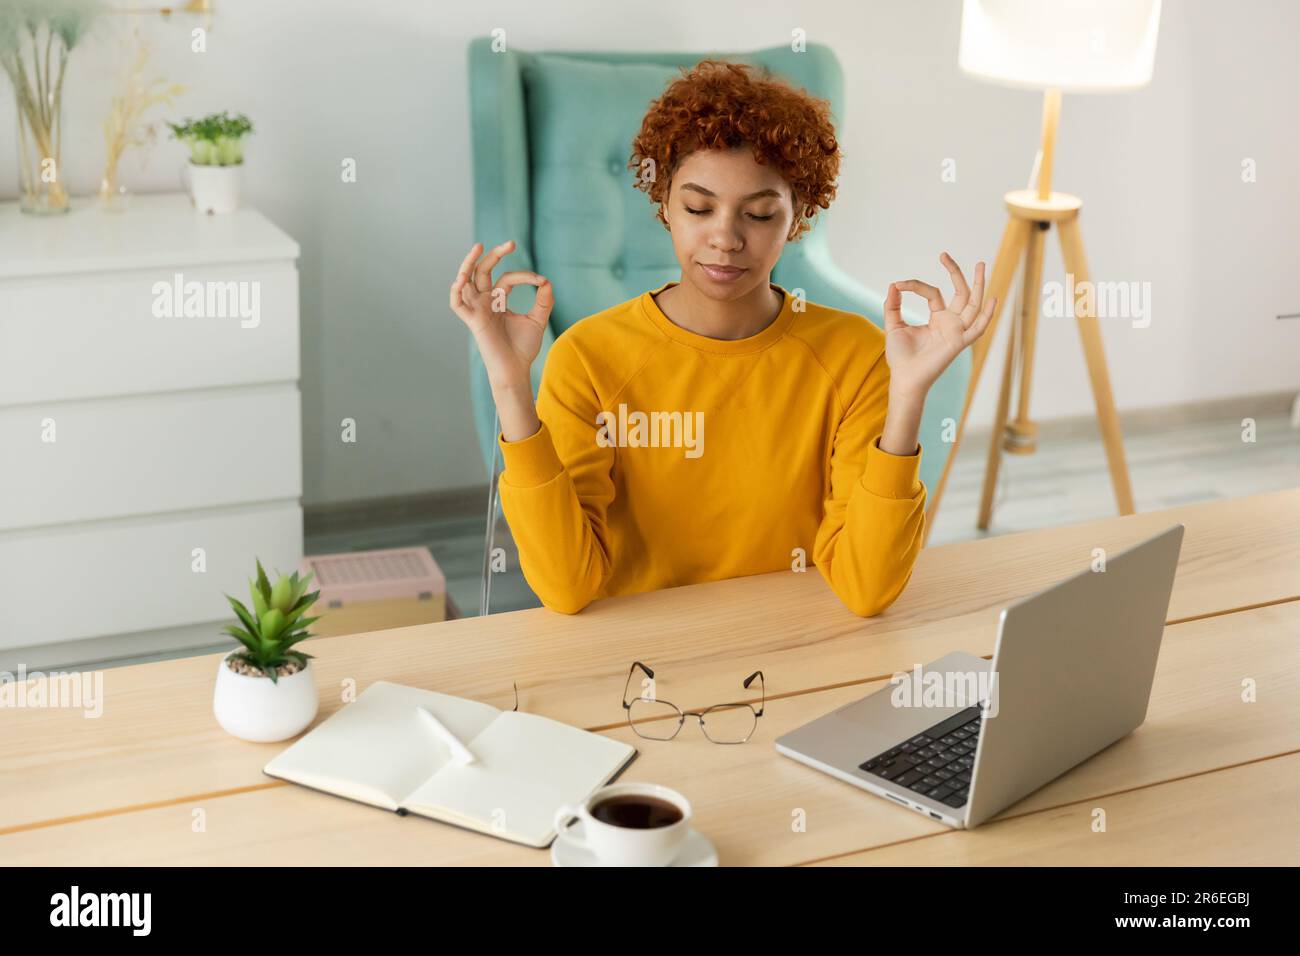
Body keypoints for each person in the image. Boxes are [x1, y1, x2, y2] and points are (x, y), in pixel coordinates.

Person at [450, 59, 994, 616]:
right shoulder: (588, 358)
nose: (725, 238)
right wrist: (510, 384)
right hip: (639, 665)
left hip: (794, 652)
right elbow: (566, 588)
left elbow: (868, 588)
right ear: (664, 203)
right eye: (698, 208)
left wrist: (907, 398)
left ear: (798, 217)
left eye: (758, 215)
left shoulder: (853, 354)